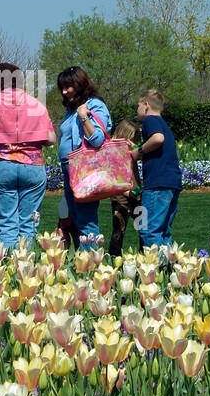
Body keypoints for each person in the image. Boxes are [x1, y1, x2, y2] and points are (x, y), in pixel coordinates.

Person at [0, 63, 55, 247]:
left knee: (7, 223)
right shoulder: (36, 104)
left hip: (2, 165)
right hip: (32, 166)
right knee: (29, 224)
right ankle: (26, 268)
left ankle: (7, 268)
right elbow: (51, 139)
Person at [56, 66, 113, 251]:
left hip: (84, 170)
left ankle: (91, 266)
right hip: (70, 170)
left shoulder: (94, 105)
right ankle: (86, 264)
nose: (64, 92)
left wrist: (83, 116)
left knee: (86, 221)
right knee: (77, 220)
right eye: (62, 88)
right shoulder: (72, 109)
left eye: (68, 87)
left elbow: (97, 139)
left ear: (79, 84)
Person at [133, 90, 181, 249]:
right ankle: (168, 270)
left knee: (149, 230)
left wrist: (138, 152)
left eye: (138, 105)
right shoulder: (162, 123)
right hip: (171, 183)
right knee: (164, 231)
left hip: (157, 185)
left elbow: (157, 139)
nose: (137, 110)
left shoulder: (150, 120)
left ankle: (153, 270)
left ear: (146, 105)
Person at [108, 119, 142, 256]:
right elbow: (112, 178)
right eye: (132, 139)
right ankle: (114, 257)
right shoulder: (113, 153)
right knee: (119, 229)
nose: (134, 143)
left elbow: (141, 153)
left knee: (143, 227)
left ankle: (145, 254)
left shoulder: (131, 151)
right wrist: (127, 192)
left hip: (136, 195)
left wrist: (134, 146)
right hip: (121, 197)